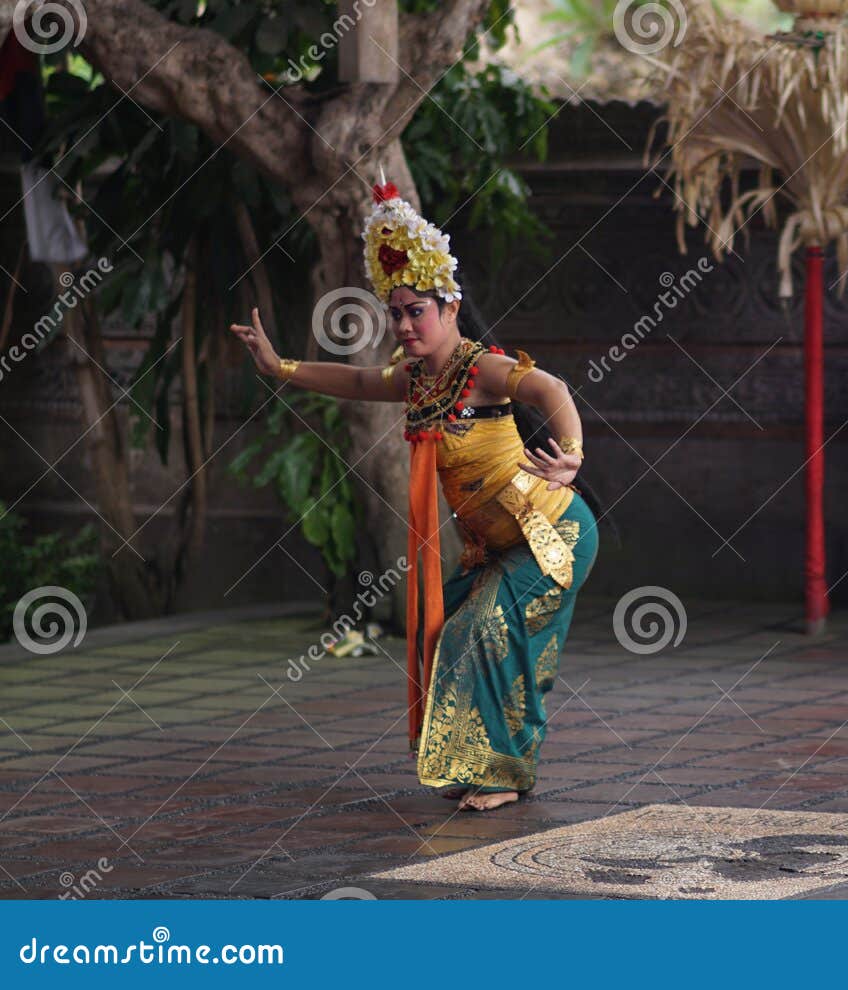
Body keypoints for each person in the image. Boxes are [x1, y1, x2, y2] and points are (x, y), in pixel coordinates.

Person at [229, 179, 597, 812]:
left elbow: (552, 389)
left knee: (485, 631)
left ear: (451, 309)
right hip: (500, 547)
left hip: (553, 533)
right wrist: (280, 367)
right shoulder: (417, 379)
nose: (403, 325)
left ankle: (504, 774)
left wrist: (572, 454)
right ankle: (472, 763)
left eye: (416, 311)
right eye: (395, 313)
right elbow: (355, 380)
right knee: (443, 629)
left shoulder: (481, 368)